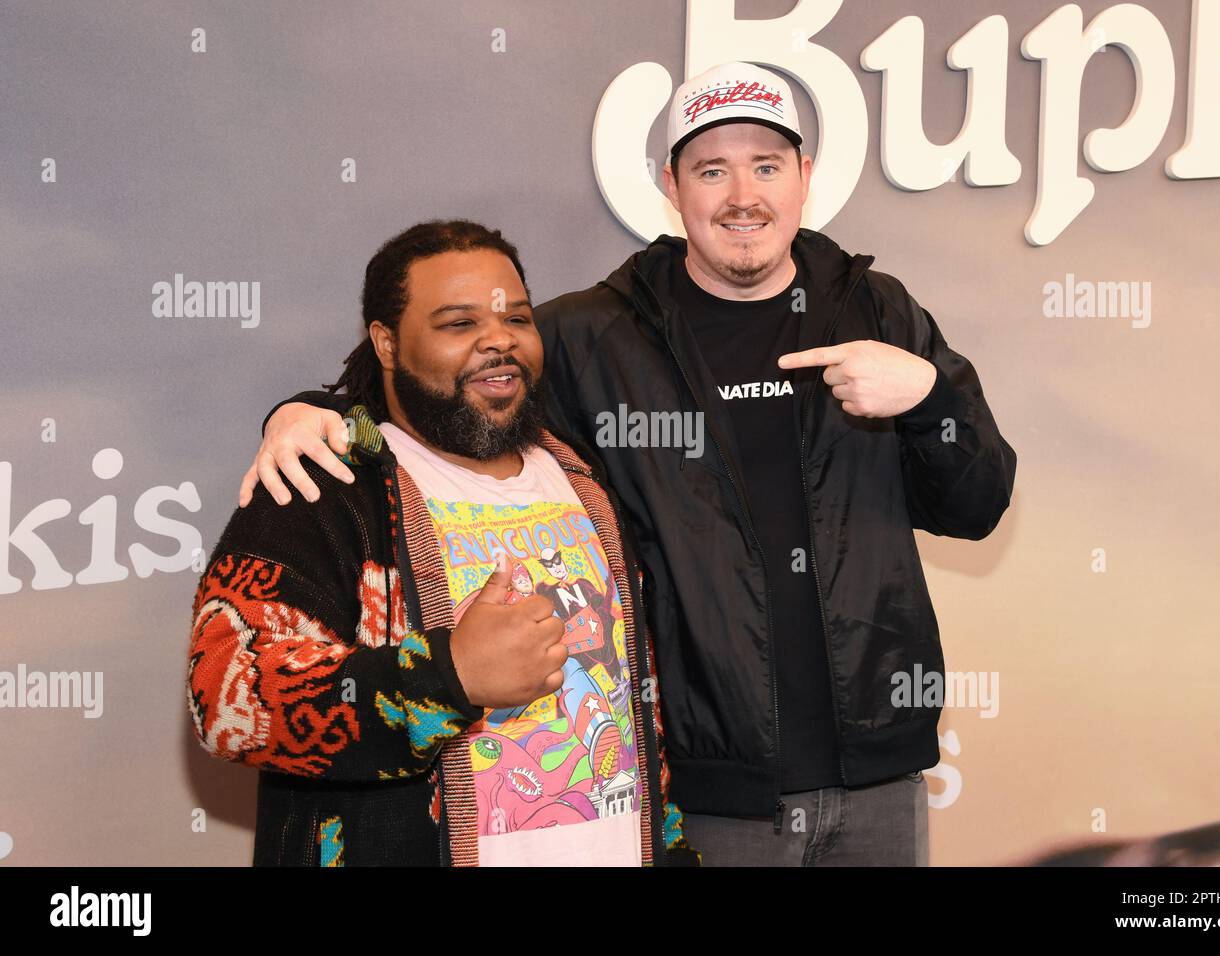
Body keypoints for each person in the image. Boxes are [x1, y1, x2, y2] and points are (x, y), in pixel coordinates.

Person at [243, 62, 1017, 866]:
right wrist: (317, 410)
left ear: (805, 178)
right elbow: (453, 387)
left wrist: (931, 398)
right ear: (671, 188)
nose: (742, 196)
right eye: (711, 170)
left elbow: (978, 503)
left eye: (766, 166)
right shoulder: (594, 334)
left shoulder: (879, 308)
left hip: (882, 778)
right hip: (706, 791)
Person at [188, 219, 696, 866]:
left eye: (517, 318)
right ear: (387, 343)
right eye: (459, 324)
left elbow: (634, 711)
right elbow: (229, 695)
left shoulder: (583, 477)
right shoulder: (329, 484)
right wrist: (449, 675)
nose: (498, 341)